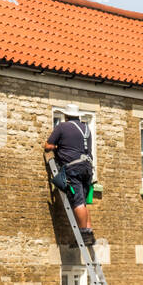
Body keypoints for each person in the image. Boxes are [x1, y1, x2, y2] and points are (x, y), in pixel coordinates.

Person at [45, 103, 96, 245]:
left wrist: (56, 146)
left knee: (77, 201)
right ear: (77, 116)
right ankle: (89, 233)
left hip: (73, 168)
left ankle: (84, 235)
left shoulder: (62, 127)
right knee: (83, 202)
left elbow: (47, 146)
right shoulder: (87, 129)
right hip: (87, 168)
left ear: (66, 116)